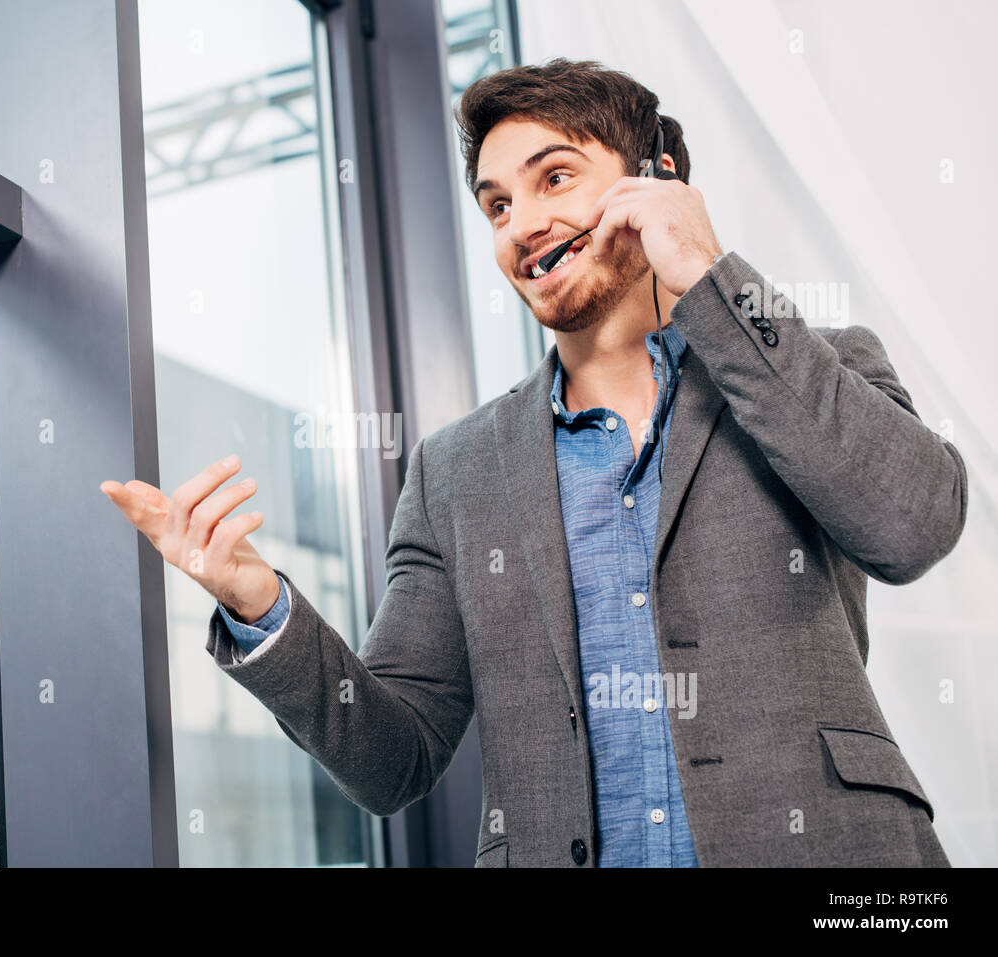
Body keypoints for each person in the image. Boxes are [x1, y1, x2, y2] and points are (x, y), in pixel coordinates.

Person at [101, 58, 967, 867]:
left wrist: (708, 272)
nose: (523, 225)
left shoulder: (812, 364)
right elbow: (392, 759)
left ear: (658, 180)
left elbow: (913, 525)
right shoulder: (456, 472)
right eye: (497, 205)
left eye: (554, 179)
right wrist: (259, 605)